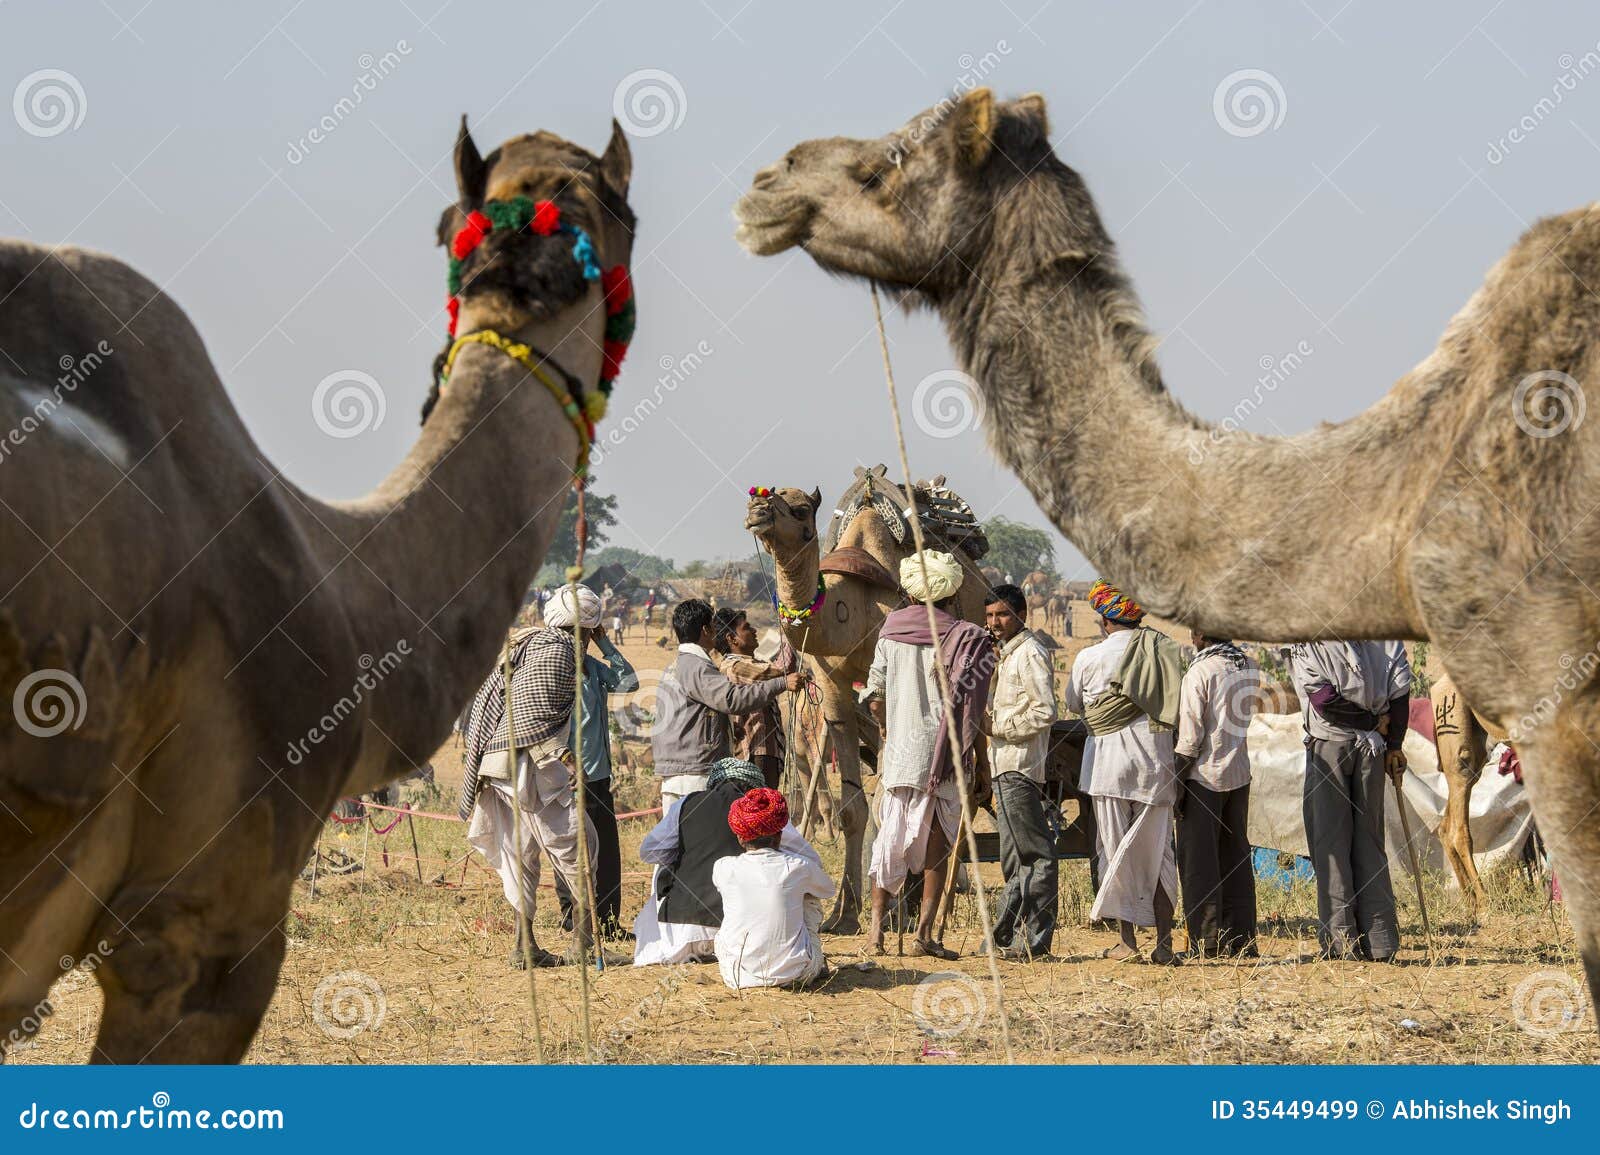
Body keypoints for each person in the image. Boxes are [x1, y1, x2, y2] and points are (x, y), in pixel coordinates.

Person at [865, 550, 996, 960]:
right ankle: (924, 933)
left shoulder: (890, 631)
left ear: (909, 591)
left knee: (889, 841)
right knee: (939, 848)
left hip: (900, 758)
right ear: (953, 592)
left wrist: (888, 729)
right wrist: (983, 763)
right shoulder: (969, 637)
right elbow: (972, 712)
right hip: (946, 759)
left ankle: (875, 933)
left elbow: (874, 696)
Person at [461, 623, 597, 968]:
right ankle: (582, 946)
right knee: (580, 845)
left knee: (520, 855)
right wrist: (568, 759)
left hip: (498, 768)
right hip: (530, 769)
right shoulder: (559, 649)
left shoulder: (525, 647)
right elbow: (532, 717)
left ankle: (525, 947)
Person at [1063, 580, 1183, 965]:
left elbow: (1074, 703)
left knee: (1115, 852)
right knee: (1160, 855)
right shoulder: (1165, 652)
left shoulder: (1088, 658)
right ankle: (1164, 944)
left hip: (1108, 768)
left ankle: (1127, 943)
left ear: (1103, 619)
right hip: (1156, 767)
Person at [1288, 640, 1412, 961]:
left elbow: (1324, 700)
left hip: (1330, 748)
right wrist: (1392, 740)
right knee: (1369, 841)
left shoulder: (1308, 641)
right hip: (1373, 749)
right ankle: (1380, 941)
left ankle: (1340, 942)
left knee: (1331, 845)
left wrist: (1373, 725)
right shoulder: (1383, 635)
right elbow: (1400, 693)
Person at [633, 758, 822, 966]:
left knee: (663, 863)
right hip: (741, 934)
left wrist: (687, 852)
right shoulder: (761, 812)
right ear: (755, 788)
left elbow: (649, 851)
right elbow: (811, 859)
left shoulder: (686, 805)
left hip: (680, 938)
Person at [543, 585, 638, 939]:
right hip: (566, 777)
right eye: (576, 634)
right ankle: (574, 920)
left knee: (607, 854)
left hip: (598, 777)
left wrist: (605, 643)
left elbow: (628, 682)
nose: (579, 641)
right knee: (572, 851)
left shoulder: (594, 668)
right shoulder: (553, 670)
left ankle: (609, 923)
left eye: (585, 634)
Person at [651, 599, 802, 808]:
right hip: (695, 774)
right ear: (705, 630)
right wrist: (782, 683)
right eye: (713, 624)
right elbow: (732, 699)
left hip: (679, 773)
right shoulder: (699, 667)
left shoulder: (675, 667)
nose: (716, 630)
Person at [983, 583, 1059, 961]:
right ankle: (1005, 935)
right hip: (1004, 766)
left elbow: (1045, 711)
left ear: (1021, 615)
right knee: (1013, 858)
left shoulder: (1030, 653)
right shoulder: (1006, 655)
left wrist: (997, 726)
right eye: (990, 616)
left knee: (1035, 855)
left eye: (1001, 615)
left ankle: (1035, 941)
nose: (995, 623)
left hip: (1019, 766)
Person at [1174, 630, 1259, 959]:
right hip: (1238, 773)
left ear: (1199, 635)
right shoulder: (1248, 665)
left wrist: (1176, 786)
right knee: (1236, 859)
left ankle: (1206, 943)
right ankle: (1242, 941)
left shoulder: (1200, 671)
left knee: (1198, 863)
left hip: (1203, 777)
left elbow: (1190, 738)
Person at [714, 788, 836, 990]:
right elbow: (827, 891)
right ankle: (812, 958)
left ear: (740, 838)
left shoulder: (722, 867)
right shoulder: (798, 866)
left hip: (736, 976)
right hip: (798, 974)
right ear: (780, 837)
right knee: (810, 897)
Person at [713, 606, 798, 790]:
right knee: (760, 809)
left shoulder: (752, 664)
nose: (754, 631)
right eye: (746, 628)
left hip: (764, 750)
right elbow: (780, 671)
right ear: (732, 638)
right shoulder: (735, 667)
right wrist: (790, 631)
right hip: (754, 750)